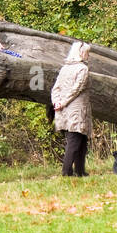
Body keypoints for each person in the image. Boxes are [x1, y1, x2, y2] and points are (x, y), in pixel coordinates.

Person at [50, 41, 92, 177]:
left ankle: (80, 171)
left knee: (81, 141)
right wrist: (61, 102)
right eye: (87, 53)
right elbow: (77, 89)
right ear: (80, 53)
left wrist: (56, 102)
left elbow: (55, 88)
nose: (88, 56)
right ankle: (67, 172)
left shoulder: (65, 68)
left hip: (64, 110)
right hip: (77, 110)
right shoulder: (82, 69)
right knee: (74, 142)